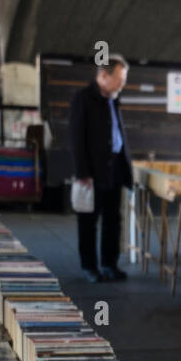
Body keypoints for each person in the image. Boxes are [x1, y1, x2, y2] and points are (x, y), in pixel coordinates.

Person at [68, 54, 134, 283]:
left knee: (113, 220)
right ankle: (89, 267)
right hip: (92, 172)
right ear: (103, 75)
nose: (122, 85)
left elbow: (118, 135)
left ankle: (109, 264)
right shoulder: (83, 99)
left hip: (114, 168)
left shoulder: (114, 100)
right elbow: (76, 139)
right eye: (119, 79)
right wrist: (82, 172)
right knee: (88, 220)